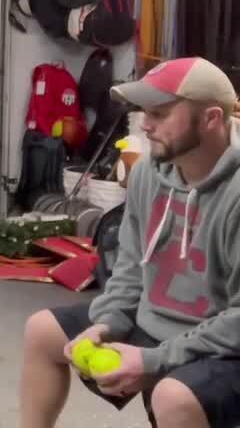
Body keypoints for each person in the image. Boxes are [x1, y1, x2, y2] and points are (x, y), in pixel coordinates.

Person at [18, 56, 240, 428]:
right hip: (155, 321)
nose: (145, 125)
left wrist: (153, 361)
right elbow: (130, 266)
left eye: (161, 113)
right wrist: (107, 322)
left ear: (211, 119)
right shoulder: (149, 175)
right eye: (143, 111)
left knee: (173, 396)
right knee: (42, 332)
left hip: (223, 345)